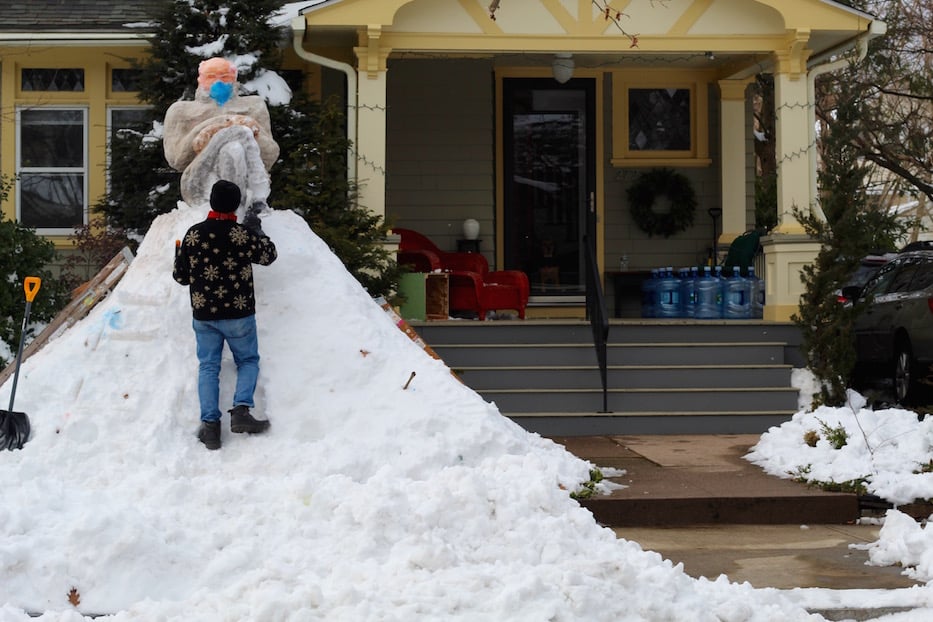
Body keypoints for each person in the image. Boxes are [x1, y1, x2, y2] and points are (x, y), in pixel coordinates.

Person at [173, 179, 277, 450]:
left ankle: (210, 427)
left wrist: (178, 257)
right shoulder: (241, 235)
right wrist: (258, 231)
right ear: (235, 206)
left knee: (208, 367)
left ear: (212, 201)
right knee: (247, 360)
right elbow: (269, 256)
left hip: (204, 315)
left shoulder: (194, 235)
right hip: (239, 314)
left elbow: (181, 277)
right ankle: (241, 411)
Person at [163, 57, 279, 226]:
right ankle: (258, 199)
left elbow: (270, 156)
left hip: (242, 178)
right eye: (211, 76)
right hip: (199, 182)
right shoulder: (181, 111)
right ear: (200, 80)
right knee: (238, 135)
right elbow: (177, 160)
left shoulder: (254, 106)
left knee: (233, 148)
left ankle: (236, 210)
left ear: (234, 80)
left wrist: (252, 129)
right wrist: (212, 126)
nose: (218, 82)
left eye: (225, 77)